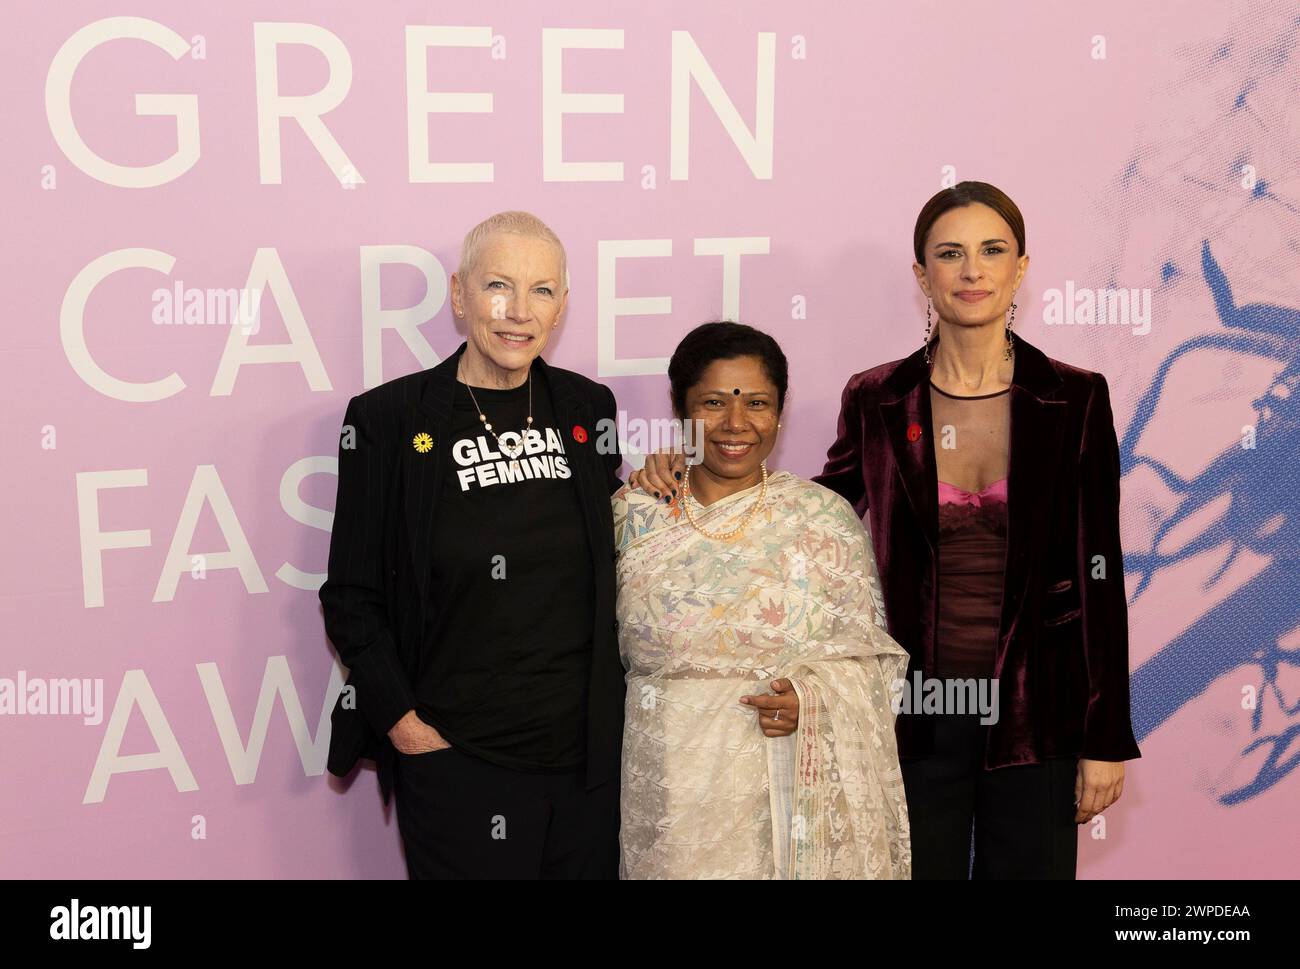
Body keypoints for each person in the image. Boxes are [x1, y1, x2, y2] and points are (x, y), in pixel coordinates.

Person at [632, 182, 1142, 879]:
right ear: (921, 274)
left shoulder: (1075, 396)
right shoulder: (875, 397)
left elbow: (1098, 572)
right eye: (950, 253)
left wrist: (1105, 734)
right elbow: (803, 513)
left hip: (1038, 713)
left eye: (992, 251)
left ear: (1021, 267)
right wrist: (686, 469)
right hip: (907, 714)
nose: (972, 270)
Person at [319, 211, 625, 879]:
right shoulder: (390, 421)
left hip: (588, 768)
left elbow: (613, 553)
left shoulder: (587, 407)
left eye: (542, 290)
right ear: (459, 295)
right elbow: (351, 595)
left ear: (563, 305)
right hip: (459, 764)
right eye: (498, 286)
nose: (520, 311)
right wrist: (406, 726)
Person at [615, 322, 911, 879]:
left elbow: (872, 663)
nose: (735, 424)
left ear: (779, 412)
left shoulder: (823, 519)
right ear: (680, 410)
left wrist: (814, 702)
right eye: (712, 403)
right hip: (669, 793)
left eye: (756, 403)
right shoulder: (635, 514)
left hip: (788, 791)